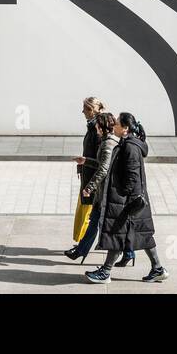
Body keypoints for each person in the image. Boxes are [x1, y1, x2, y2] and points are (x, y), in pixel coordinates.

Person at [84, 113, 165, 283]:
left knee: (118, 234)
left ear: (126, 128)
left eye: (118, 123)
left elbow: (132, 176)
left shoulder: (130, 147)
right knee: (141, 235)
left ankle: (105, 272)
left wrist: (122, 193)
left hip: (129, 201)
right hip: (134, 201)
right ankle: (157, 268)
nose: (114, 124)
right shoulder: (128, 143)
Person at [68, 110, 125, 264]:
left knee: (111, 224)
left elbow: (103, 169)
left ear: (101, 128)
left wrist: (89, 187)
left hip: (109, 192)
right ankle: (81, 250)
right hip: (104, 191)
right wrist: (85, 160)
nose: (96, 130)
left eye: (98, 127)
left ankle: (128, 253)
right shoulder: (109, 140)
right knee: (95, 220)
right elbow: (102, 164)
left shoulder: (107, 143)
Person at [65, 97, 106, 261]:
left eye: (85, 109)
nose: (82, 112)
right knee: (94, 215)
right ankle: (127, 250)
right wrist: (82, 166)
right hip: (89, 175)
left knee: (92, 215)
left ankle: (82, 247)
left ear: (92, 110)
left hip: (93, 179)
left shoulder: (97, 130)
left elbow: (101, 160)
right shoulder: (93, 127)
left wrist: (85, 165)